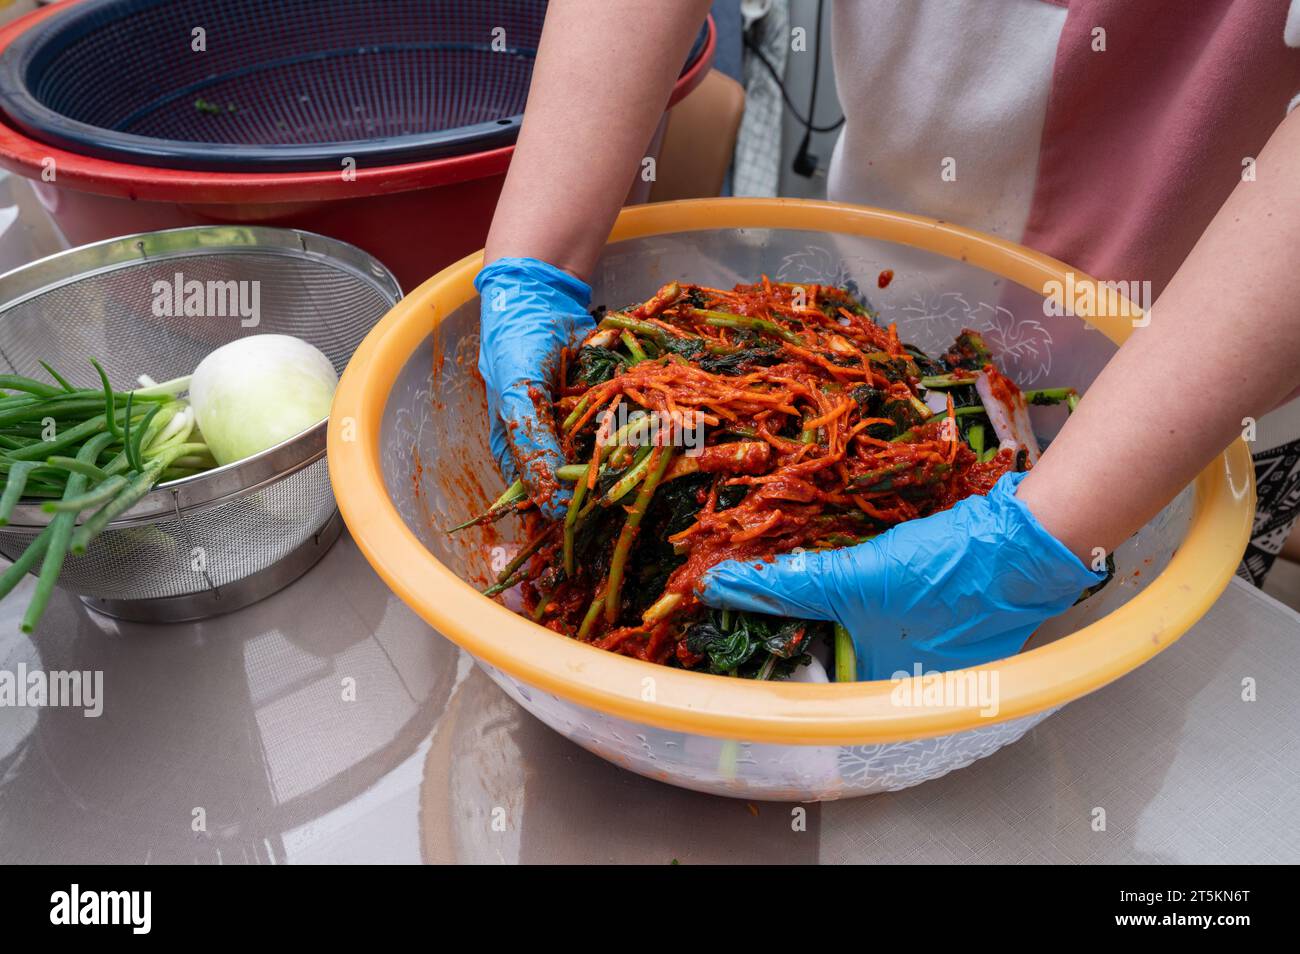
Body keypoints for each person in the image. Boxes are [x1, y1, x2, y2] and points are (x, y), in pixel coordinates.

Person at [475, 0, 1300, 678]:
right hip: (882, 310)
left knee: (1126, 709)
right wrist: (539, 260)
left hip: (1197, 418)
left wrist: (1045, 540)